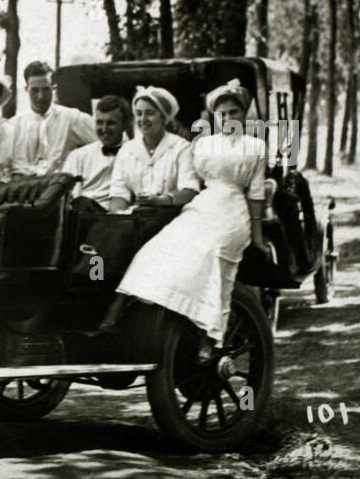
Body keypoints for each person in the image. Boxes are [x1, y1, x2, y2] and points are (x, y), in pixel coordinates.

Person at [110, 79, 271, 359]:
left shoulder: (255, 147)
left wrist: (257, 238)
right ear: (215, 117)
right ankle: (138, 309)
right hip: (204, 207)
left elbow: (256, 195)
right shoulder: (204, 145)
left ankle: (209, 334)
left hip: (233, 211)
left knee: (212, 254)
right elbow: (191, 184)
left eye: (234, 112)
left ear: (243, 114)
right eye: (222, 114)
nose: (228, 118)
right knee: (161, 247)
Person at [107, 85, 198, 213]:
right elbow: (119, 193)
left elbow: (190, 190)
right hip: (138, 216)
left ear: (164, 117)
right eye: (139, 114)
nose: (143, 119)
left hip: (173, 215)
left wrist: (163, 200)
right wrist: (118, 215)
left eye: (150, 113)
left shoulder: (181, 147)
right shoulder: (127, 150)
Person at [6, 60, 97, 176]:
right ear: (26, 89)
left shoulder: (70, 118)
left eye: (45, 89)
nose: (41, 96)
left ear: (53, 89)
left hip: (59, 187)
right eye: (34, 90)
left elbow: (108, 138)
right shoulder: (14, 125)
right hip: (24, 188)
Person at [60, 94, 130, 211]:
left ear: (125, 125)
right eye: (99, 122)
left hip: (116, 217)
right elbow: (69, 196)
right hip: (82, 214)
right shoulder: (78, 156)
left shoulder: (133, 154)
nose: (104, 129)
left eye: (111, 123)